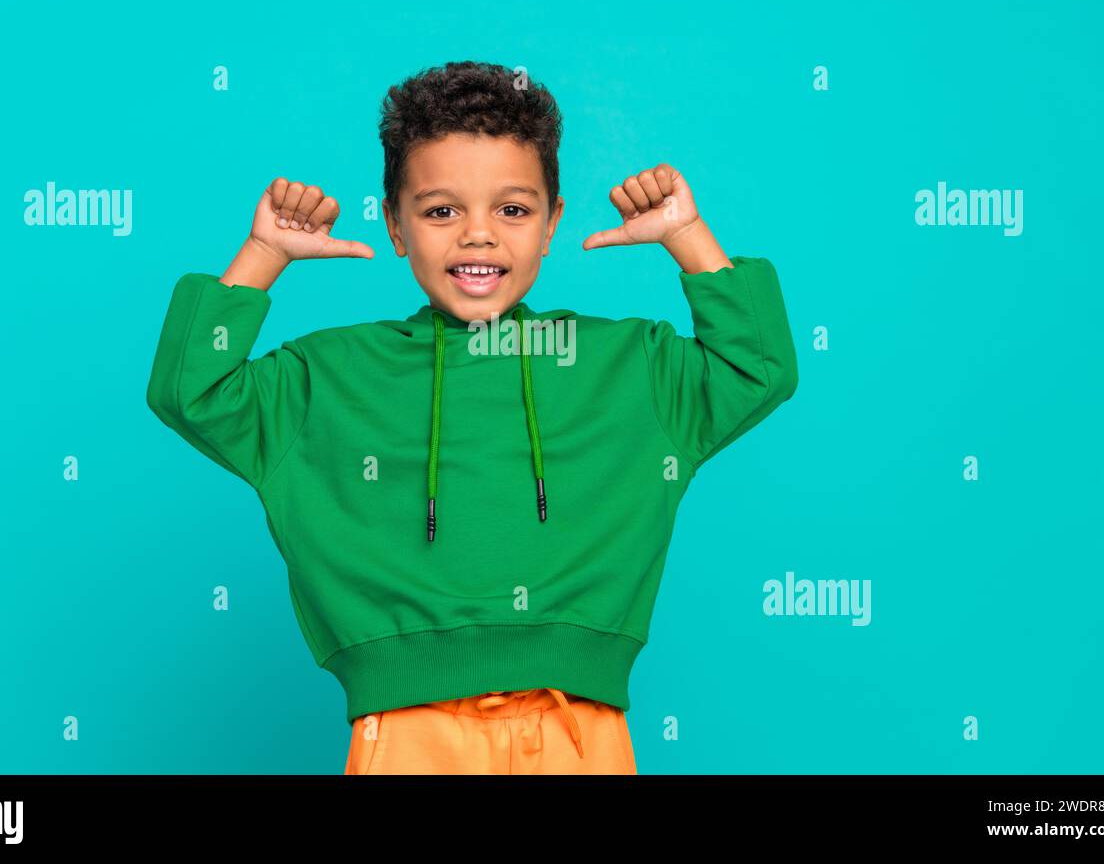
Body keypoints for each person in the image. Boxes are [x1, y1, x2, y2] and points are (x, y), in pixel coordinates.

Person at [146, 60, 799, 774]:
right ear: (395, 225)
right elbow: (191, 389)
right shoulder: (327, 376)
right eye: (440, 211)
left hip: (581, 734)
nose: (478, 236)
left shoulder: (625, 363)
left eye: (513, 210)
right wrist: (265, 252)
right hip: (405, 735)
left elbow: (757, 368)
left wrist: (688, 236)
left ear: (552, 223)